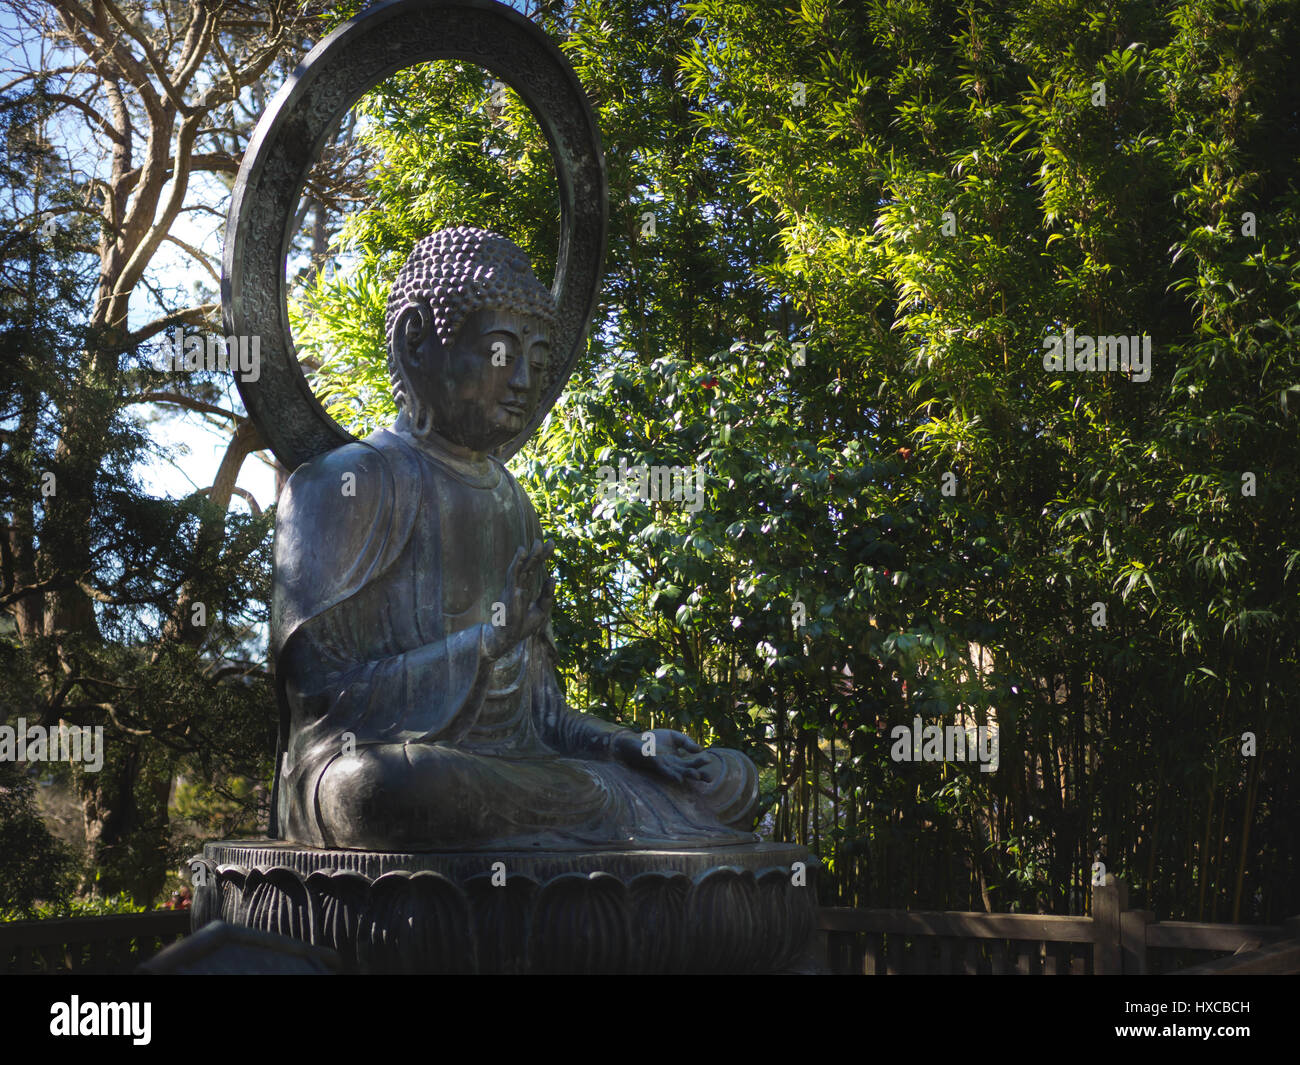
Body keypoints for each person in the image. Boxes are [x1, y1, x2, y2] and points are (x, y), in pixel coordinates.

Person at [271, 227, 758, 852]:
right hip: (386, 768)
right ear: (415, 341)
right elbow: (321, 703)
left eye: (537, 357)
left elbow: (544, 718)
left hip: (518, 774)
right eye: (502, 351)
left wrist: (627, 744)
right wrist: (484, 643)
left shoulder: (513, 503)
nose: (524, 378)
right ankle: (603, 832)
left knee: (729, 781)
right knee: (378, 787)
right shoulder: (340, 485)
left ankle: (607, 820)